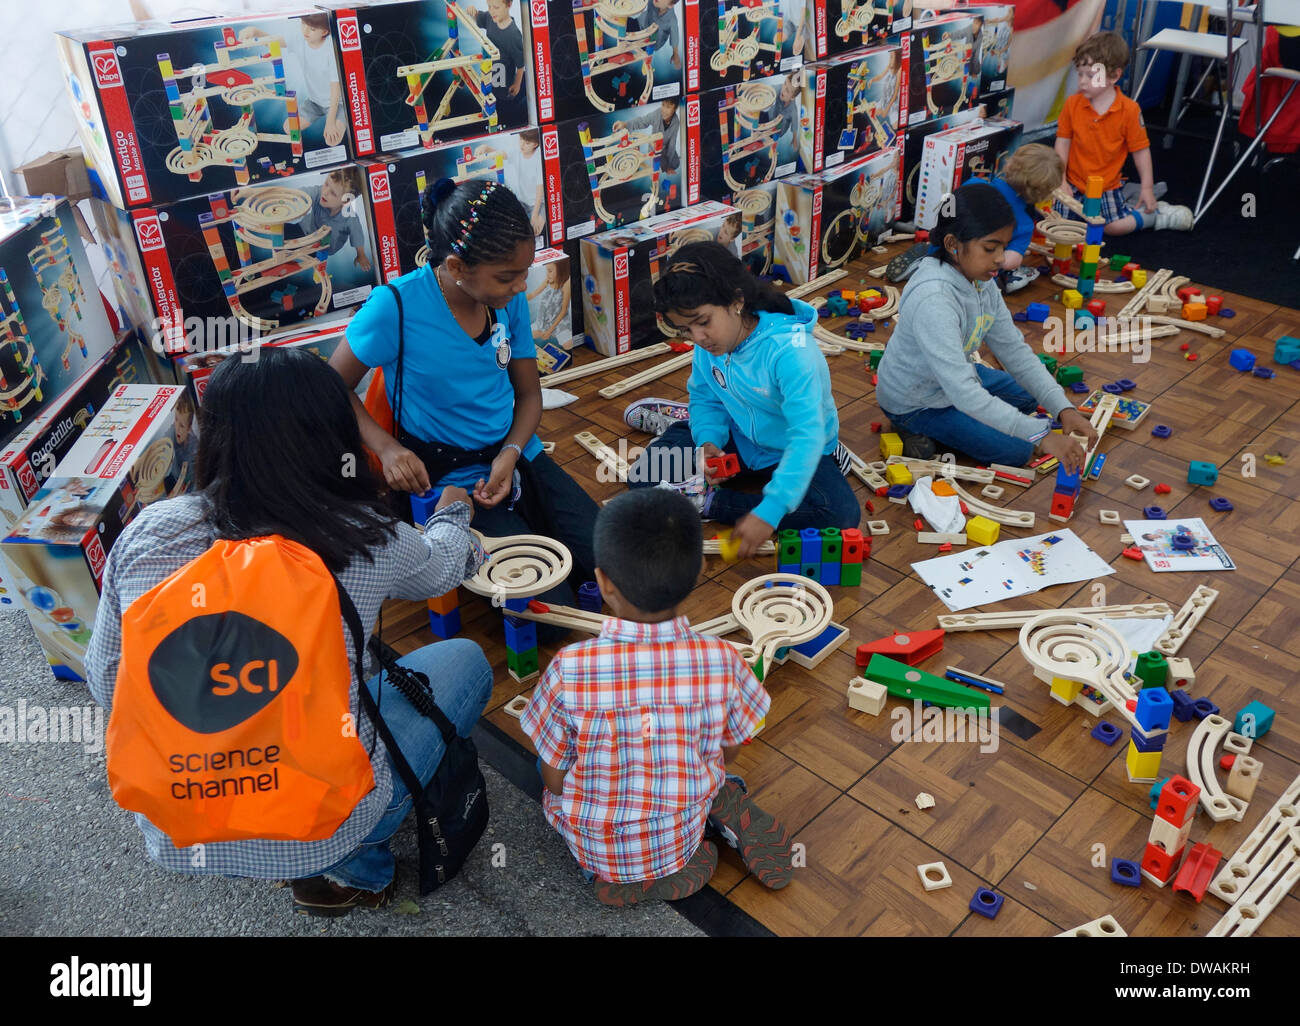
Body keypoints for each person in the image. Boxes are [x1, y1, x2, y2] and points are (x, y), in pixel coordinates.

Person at [85, 348, 494, 916]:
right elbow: (447, 565)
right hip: (325, 825)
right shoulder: (361, 536)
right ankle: (360, 870)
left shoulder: (149, 534)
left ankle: (301, 856)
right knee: (467, 662)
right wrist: (455, 514)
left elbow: (106, 675)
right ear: (333, 439)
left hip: (181, 823)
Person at [330, 178, 600, 607]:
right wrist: (387, 450)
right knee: (550, 607)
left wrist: (509, 454)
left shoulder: (507, 299)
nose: (519, 287)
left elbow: (529, 396)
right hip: (451, 483)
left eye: (524, 273)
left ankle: (518, 520)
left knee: (611, 566)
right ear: (456, 268)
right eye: (508, 277)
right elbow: (330, 387)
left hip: (516, 456)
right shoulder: (394, 307)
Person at [519, 487, 792, 906]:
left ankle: (620, 872)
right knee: (711, 771)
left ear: (603, 582)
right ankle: (717, 808)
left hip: (596, 847)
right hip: (678, 835)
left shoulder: (568, 668)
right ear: (700, 569)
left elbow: (555, 779)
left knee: (549, 758)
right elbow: (730, 749)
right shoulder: (723, 662)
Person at [624, 241, 860, 559]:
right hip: (740, 435)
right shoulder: (709, 344)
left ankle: (707, 503)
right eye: (685, 329)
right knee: (643, 474)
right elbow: (706, 395)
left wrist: (769, 512)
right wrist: (708, 442)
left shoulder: (792, 353)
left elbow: (806, 436)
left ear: (736, 300)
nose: (696, 338)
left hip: (794, 446)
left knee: (840, 516)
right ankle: (687, 427)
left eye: (702, 322)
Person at [876, 182, 1099, 469]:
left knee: (1031, 398)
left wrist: (1063, 408)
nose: (1000, 258)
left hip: (952, 380)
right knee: (1018, 451)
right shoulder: (934, 299)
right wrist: (1043, 436)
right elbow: (964, 393)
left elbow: (1014, 352)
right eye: (990, 248)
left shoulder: (981, 279)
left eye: (1003, 247)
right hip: (915, 401)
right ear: (953, 245)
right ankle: (911, 427)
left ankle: (957, 427)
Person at [1053, 31, 1192, 235]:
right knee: (1058, 223)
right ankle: (1129, 197)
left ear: (1115, 76)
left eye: (1091, 76)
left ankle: (1155, 214)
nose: (1082, 81)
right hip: (1073, 182)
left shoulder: (1129, 110)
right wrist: (1061, 180)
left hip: (1106, 186)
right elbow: (1062, 142)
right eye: (1080, 73)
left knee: (1111, 228)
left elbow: (1141, 150)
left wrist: (1147, 188)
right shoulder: (1072, 104)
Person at [966, 142, 1064, 293]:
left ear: (1009, 164)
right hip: (975, 281)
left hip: (946, 256)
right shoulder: (1024, 224)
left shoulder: (975, 184)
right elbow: (1010, 261)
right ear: (1043, 194)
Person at [298, 167, 372, 274]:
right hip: (305, 230)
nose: (325, 192)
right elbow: (304, 193)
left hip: (323, 247)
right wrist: (293, 197)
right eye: (326, 184)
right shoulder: (319, 193)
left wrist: (361, 255)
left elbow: (357, 234)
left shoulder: (349, 216)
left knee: (312, 255)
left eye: (333, 193)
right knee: (285, 230)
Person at [474, 0, 528, 128]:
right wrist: (473, 12)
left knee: (502, 105)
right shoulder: (490, 18)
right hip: (490, 74)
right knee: (489, 98)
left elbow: (520, 64)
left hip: (504, 83)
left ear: (509, 5)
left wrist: (517, 83)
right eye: (489, 7)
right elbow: (479, 17)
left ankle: (501, 124)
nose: (491, 11)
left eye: (496, 7)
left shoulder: (514, 34)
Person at [506, 129, 546, 239]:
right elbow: (504, 154)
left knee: (536, 229)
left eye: (527, 143)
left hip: (540, 203)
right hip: (524, 202)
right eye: (521, 140)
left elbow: (540, 188)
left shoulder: (538, 157)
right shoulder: (517, 152)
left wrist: (535, 214)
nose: (522, 145)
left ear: (536, 144)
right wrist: (487, 149)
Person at [527, 260, 572, 348]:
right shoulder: (548, 280)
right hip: (542, 321)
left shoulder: (566, 284)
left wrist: (549, 331)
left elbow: (563, 311)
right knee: (527, 335)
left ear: (561, 270)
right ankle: (544, 331)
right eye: (547, 271)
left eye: (550, 271)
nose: (547, 274)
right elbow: (533, 294)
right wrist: (519, 299)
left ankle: (555, 333)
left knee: (567, 345)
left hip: (558, 322)